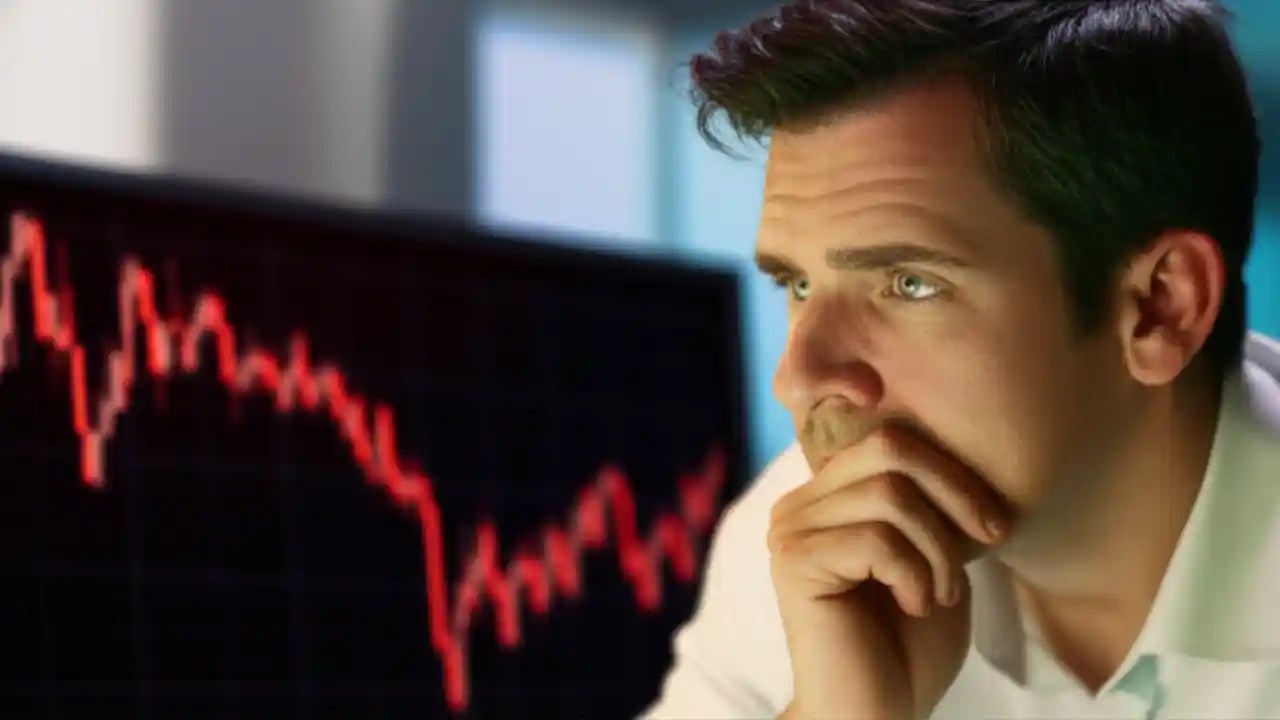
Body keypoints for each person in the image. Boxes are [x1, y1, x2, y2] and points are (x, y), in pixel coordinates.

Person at [641, 1, 1280, 718]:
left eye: (910, 284)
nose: (798, 379)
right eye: (797, 284)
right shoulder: (803, 550)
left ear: (1160, 309)